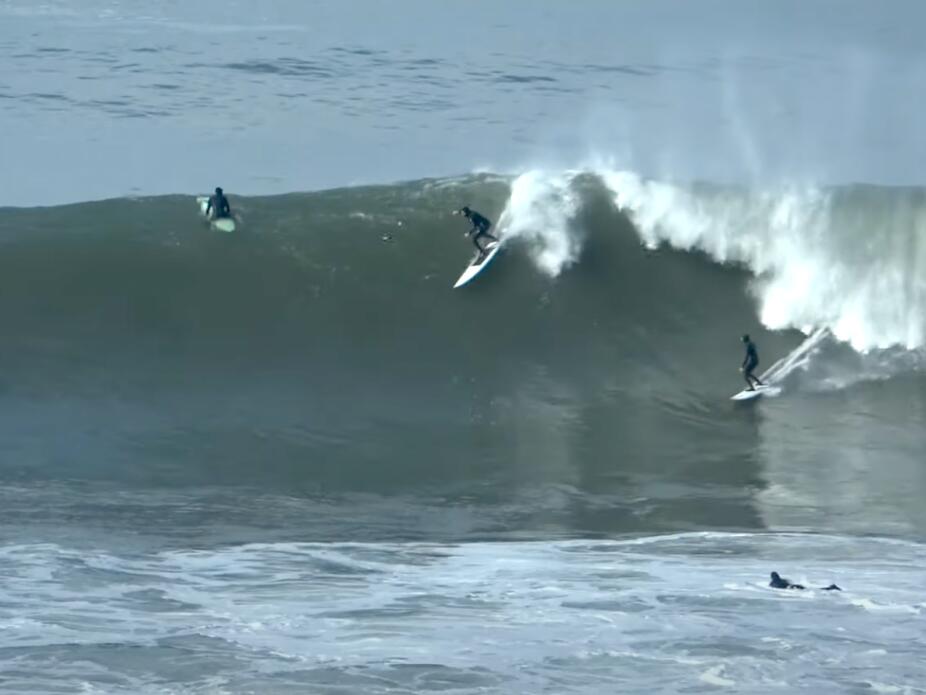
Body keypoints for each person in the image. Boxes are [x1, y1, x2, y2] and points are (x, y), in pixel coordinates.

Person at [770, 571, 841, 591]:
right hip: (795, 586)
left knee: (814, 590)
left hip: (791, 589)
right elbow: (790, 582)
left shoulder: (772, 583)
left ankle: (830, 588)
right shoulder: (784, 580)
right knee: (813, 589)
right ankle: (830, 588)